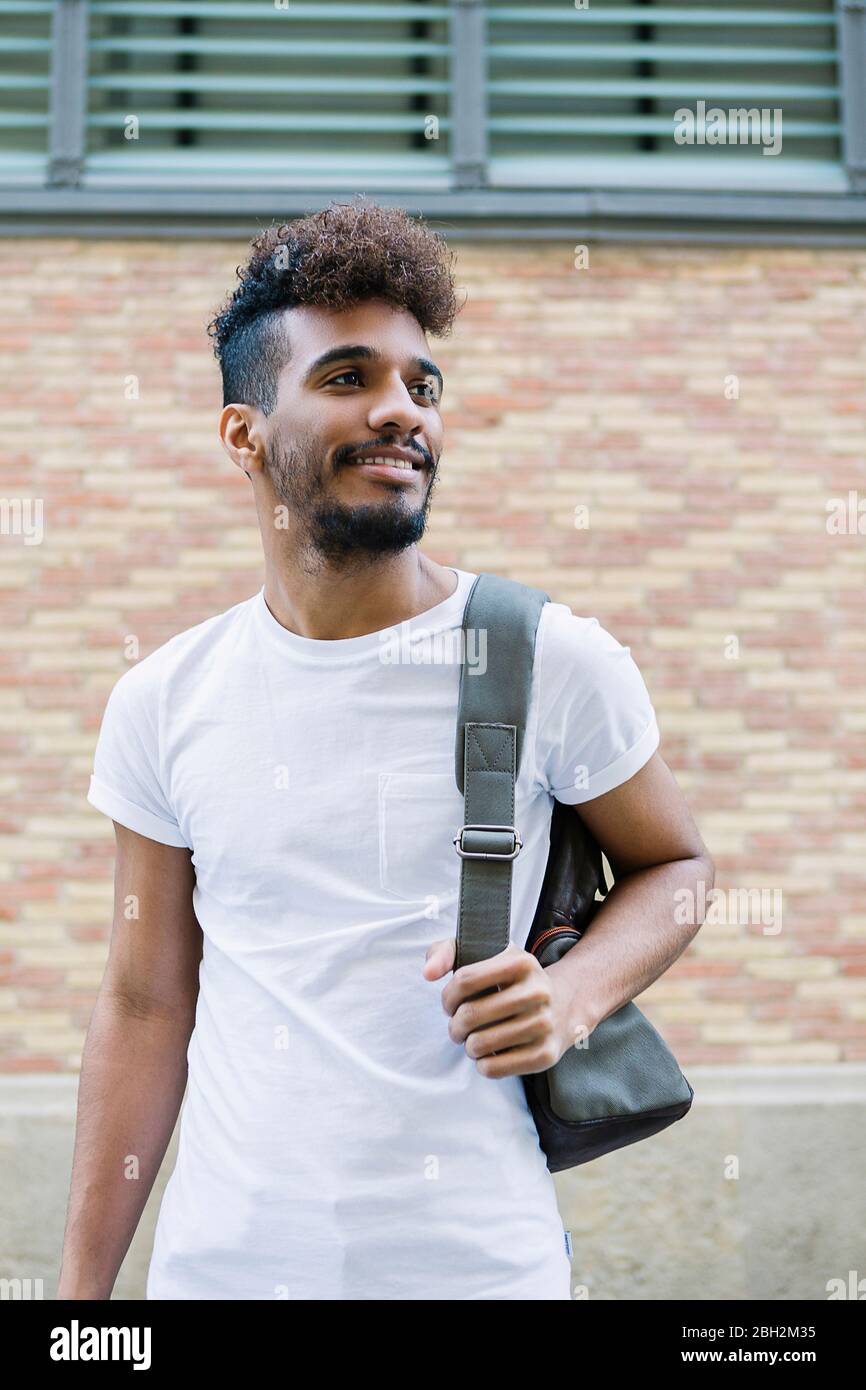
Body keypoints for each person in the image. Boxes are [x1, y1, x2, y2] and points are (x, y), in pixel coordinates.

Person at [58, 198, 714, 1301]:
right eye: (345, 377)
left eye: (421, 383)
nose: (400, 410)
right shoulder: (165, 699)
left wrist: (575, 993)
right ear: (243, 435)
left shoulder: (547, 655)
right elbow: (143, 1001)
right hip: (223, 1270)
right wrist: (74, 1306)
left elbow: (679, 869)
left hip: (478, 1269)